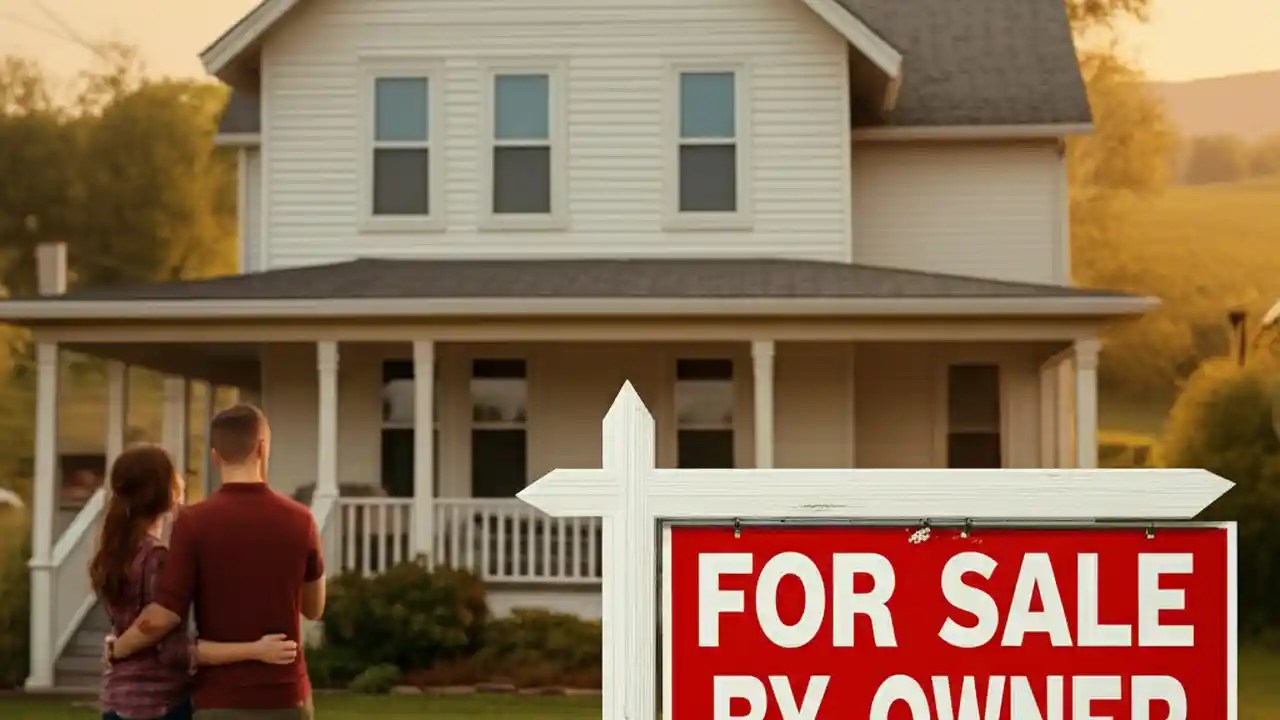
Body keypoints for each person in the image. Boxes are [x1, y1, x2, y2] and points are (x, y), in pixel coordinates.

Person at [107, 405, 326, 719]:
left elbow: (165, 613)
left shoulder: (193, 522)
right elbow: (314, 609)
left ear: (215, 455)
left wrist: (119, 647)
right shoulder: (302, 520)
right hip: (286, 695)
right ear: (263, 448)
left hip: (219, 700)